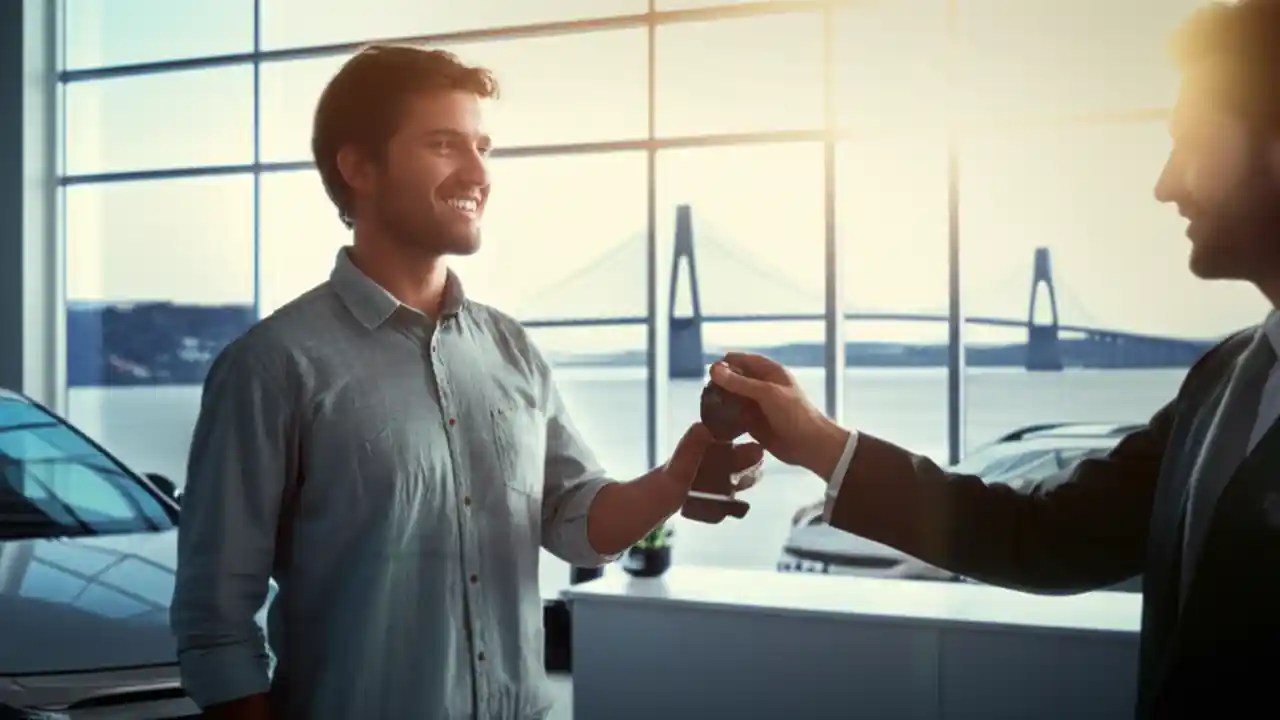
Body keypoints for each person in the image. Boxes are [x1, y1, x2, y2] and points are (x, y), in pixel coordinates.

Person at [708, 2, 1280, 717]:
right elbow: (1044, 534)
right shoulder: (1224, 381)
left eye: (1191, 144)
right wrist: (818, 443)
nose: (1165, 184)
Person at [170, 44, 762, 720]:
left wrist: (674, 482)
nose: (479, 173)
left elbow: (572, 520)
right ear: (359, 167)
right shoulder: (271, 366)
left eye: (482, 147)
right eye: (444, 144)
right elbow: (216, 626)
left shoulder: (511, 349)